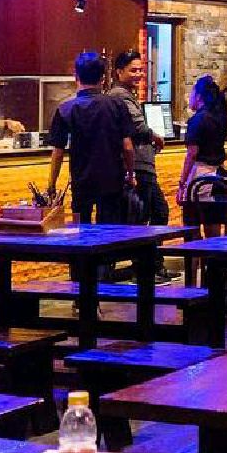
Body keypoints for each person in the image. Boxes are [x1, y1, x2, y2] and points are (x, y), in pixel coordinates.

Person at [47, 51, 136, 225]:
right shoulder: (117, 105)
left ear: (76, 77)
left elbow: (58, 153)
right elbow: (127, 147)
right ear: (103, 78)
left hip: (81, 182)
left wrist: (51, 185)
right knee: (110, 231)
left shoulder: (66, 109)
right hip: (112, 181)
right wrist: (130, 174)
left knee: (81, 229)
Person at [110, 49, 173, 283]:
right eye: (133, 70)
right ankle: (144, 269)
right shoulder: (120, 96)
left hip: (142, 165)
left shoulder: (127, 95)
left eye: (140, 70)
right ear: (119, 72)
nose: (138, 74)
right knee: (147, 216)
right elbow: (137, 127)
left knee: (151, 214)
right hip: (137, 167)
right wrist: (156, 137)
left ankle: (151, 265)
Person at [176, 75, 227, 222]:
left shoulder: (197, 120)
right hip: (221, 175)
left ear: (199, 96)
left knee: (192, 224)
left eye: (192, 92)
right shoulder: (221, 117)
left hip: (201, 178)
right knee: (213, 224)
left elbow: (192, 155)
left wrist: (182, 184)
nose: (190, 97)